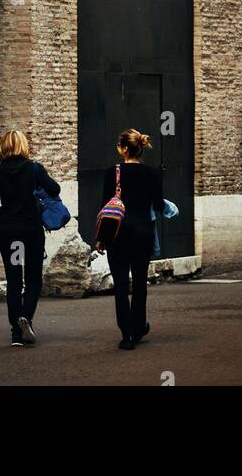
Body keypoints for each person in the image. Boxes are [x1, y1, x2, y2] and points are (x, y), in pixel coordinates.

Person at [0, 128, 61, 347]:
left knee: (14, 280)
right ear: (23, 146)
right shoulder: (34, 169)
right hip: (31, 232)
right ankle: (26, 316)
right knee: (33, 278)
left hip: (10, 234)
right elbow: (54, 189)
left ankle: (16, 332)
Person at [97, 127, 164, 350]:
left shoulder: (111, 172)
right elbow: (158, 205)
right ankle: (138, 327)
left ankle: (126, 335)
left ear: (124, 149)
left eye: (119, 146)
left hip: (117, 234)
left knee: (121, 284)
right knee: (140, 282)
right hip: (143, 233)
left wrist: (100, 238)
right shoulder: (152, 173)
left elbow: (105, 208)